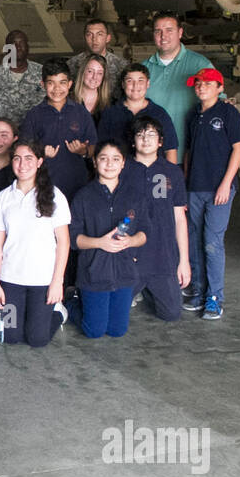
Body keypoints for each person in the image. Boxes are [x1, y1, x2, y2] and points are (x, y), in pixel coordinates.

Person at [0, 139, 70, 347]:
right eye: (17, 158)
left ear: (39, 162)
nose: (22, 164)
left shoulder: (55, 196)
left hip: (42, 280)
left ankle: (58, 312)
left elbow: (63, 242)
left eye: (29, 158)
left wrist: (57, 282)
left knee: (37, 339)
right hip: (10, 279)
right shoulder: (3, 198)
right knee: (11, 336)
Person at [181, 68, 240, 321]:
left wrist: (225, 184)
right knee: (195, 240)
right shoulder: (192, 115)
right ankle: (198, 290)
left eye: (208, 83)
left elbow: (238, 150)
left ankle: (215, 297)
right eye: (198, 83)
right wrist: (186, 184)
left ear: (220, 88)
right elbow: (189, 152)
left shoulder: (229, 112)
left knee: (212, 242)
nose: (201, 87)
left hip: (218, 189)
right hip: (195, 187)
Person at [71, 141, 148, 339]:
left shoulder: (134, 195)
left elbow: (145, 231)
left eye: (116, 159)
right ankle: (70, 302)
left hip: (124, 271)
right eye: (103, 158)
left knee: (117, 331)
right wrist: (99, 242)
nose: (109, 164)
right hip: (93, 272)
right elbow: (73, 238)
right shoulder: (83, 196)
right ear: (95, 162)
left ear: (123, 163)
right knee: (94, 331)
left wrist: (131, 241)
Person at [124, 115, 189, 322]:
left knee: (171, 314)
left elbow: (180, 218)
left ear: (161, 141)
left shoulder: (172, 172)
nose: (145, 139)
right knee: (113, 313)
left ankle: (149, 290)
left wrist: (184, 261)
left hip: (162, 255)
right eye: (140, 134)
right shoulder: (122, 169)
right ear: (133, 140)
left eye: (151, 134)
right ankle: (136, 289)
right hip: (130, 255)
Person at [20, 58, 97, 201]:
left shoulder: (81, 112)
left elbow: (94, 147)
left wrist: (84, 150)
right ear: (42, 84)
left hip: (77, 185)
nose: (57, 89)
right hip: (44, 186)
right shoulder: (34, 115)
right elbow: (23, 150)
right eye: (51, 83)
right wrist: (40, 153)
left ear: (70, 84)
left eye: (62, 83)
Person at [145, 12, 214, 164]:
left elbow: (216, 105)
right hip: (153, 157)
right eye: (158, 31)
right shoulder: (143, 70)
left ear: (180, 33)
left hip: (191, 155)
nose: (163, 36)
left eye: (169, 30)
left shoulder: (200, 65)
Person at [97, 63, 179, 162]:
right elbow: (100, 148)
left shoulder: (160, 114)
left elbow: (170, 149)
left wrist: (171, 175)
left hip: (152, 174)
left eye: (140, 81)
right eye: (129, 81)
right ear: (123, 84)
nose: (135, 85)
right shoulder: (110, 113)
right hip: (117, 174)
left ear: (148, 83)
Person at [0, 29, 43, 125]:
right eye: (13, 44)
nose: (18, 47)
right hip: (4, 135)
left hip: (38, 134)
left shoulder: (43, 73)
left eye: (21, 43)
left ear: (28, 47)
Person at [69, 18, 128, 101]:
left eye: (99, 34)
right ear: (84, 37)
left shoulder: (122, 66)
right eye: (89, 34)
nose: (94, 39)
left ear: (108, 38)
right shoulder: (72, 64)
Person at [74, 53, 115, 126]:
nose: (94, 77)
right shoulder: (68, 101)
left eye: (99, 73)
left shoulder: (112, 104)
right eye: (90, 71)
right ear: (82, 72)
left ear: (103, 77)